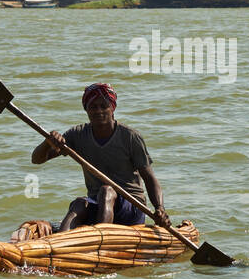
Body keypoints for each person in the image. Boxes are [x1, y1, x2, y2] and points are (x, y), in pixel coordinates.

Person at [31, 83, 170, 232]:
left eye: (104, 106)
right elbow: (37, 159)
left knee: (106, 191)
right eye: (93, 107)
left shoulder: (130, 137)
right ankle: (58, 243)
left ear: (112, 109)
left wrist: (159, 208)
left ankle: (100, 241)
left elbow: (149, 178)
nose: (99, 111)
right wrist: (48, 142)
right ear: (87, 110)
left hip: (131, 207)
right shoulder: (77, 135)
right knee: (79, 203)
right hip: (99, 205)